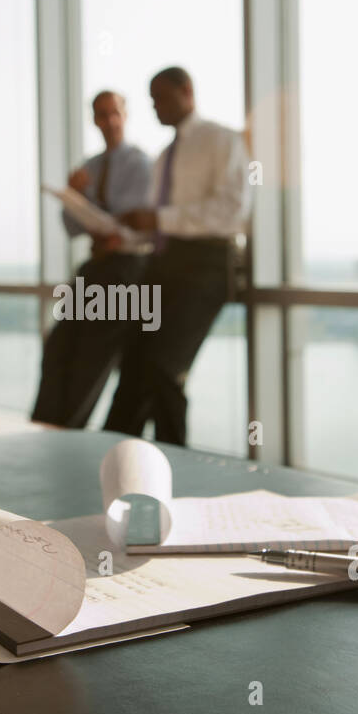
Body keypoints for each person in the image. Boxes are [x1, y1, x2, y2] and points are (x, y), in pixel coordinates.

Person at [103, 67, 250, 445]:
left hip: (207, 264)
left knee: (165, 367)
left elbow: (232, 211)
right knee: (133, 365)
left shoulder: (221, 139)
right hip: (164, 263)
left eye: (161, 98)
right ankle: (115, 456)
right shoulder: (164, 156)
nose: (155, 107)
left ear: (187, 91)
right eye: (151, 100)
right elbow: (160, 221)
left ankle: (173, 461)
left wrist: (158, 219)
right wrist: (125, 233)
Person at [31, 90, 153, 428]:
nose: (109, 121)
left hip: (126, 269)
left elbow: (130, 222)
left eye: (114, 113)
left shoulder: (141, 164)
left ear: (125, 114)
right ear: (94, 120)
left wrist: (98, 216)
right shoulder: (89, 168)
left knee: (91, 358)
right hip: (96, 266)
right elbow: (72, 226)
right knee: (58, 349)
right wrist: (75, 195)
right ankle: (43, 427)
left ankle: (66, 432)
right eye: (102, 114)